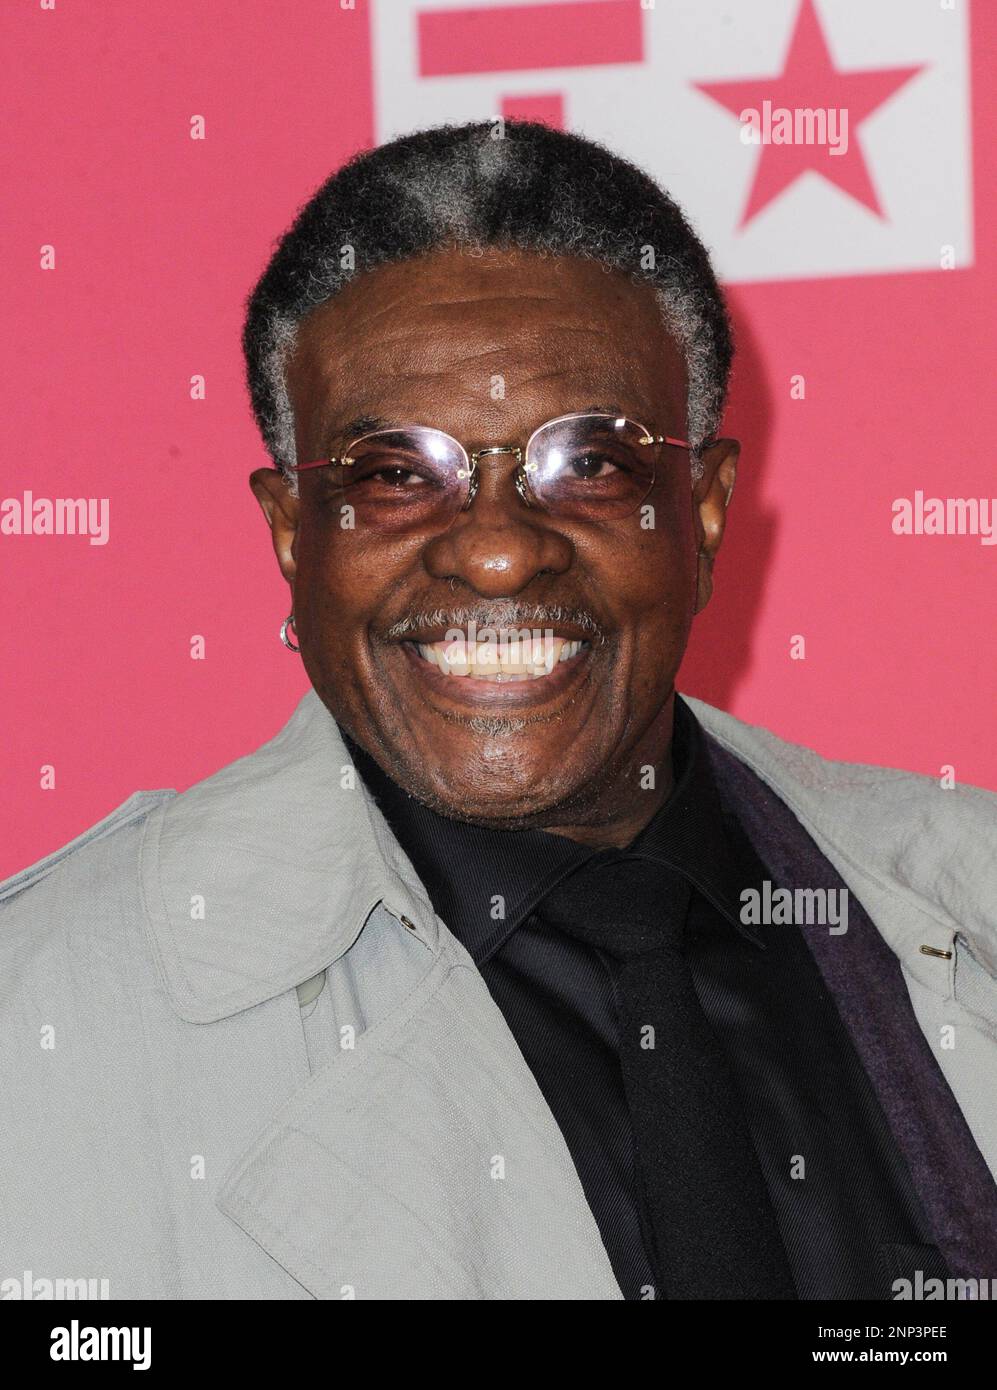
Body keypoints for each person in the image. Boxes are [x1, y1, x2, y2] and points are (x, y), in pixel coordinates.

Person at [2, 121, 994, 1301]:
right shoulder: (43, 1016)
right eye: (391, 474)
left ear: (704, 511)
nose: (493, 555)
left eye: (588, 464)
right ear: (289, 531)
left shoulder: (962, 883)